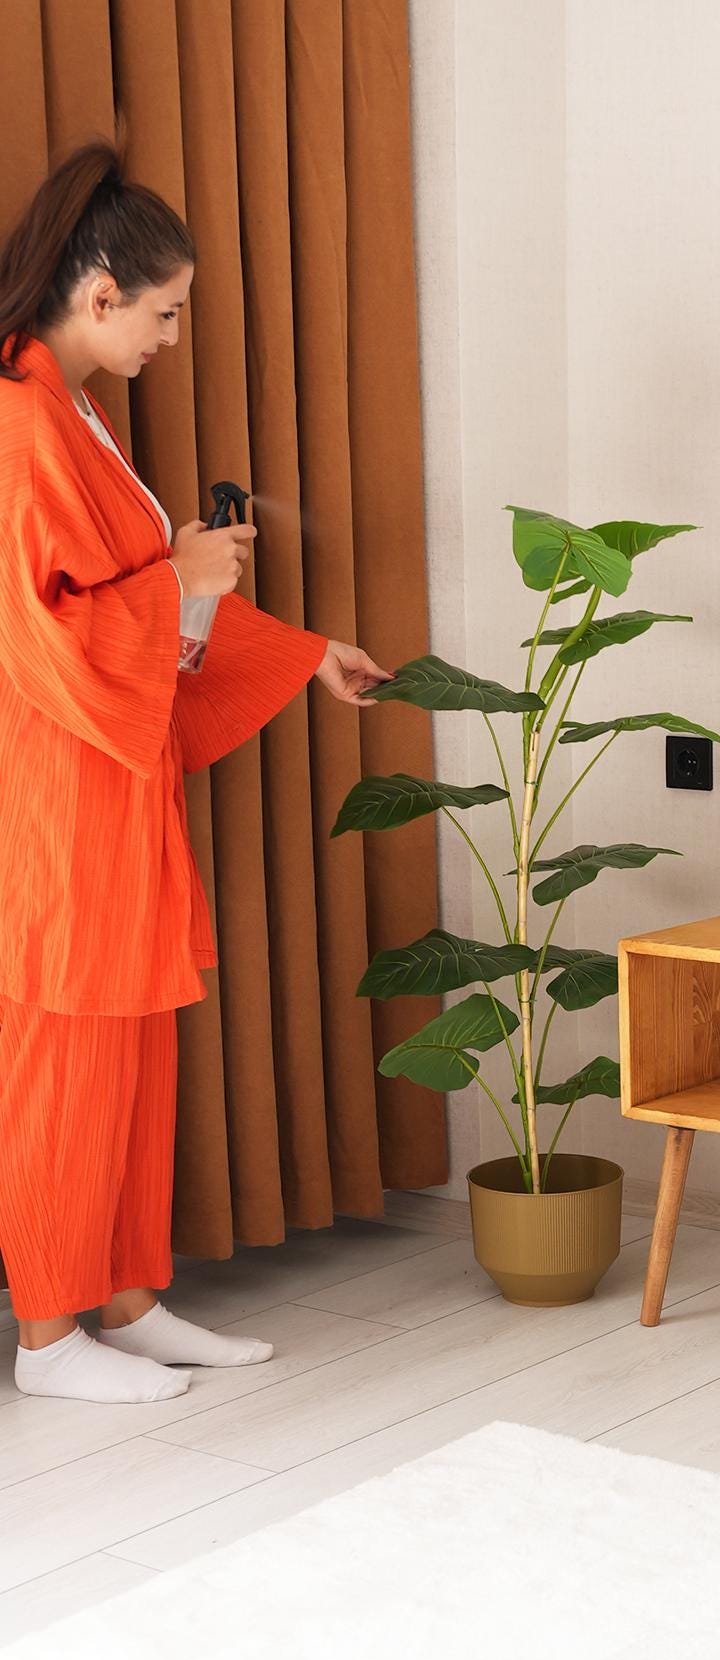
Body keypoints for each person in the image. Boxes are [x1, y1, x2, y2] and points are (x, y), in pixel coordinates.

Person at [0, 141, 395, 1405]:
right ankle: (49, 1336)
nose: (173, 338)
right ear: (99, 292)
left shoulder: (76, 413)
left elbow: (133, 598)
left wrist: (300, 648)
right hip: (59, 786)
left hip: (113, 781)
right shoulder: (18, 422)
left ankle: (123, 1298)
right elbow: (45, 630)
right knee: (66, 1053)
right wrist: (178, 574)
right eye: (165, 313)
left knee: (133, 1050)